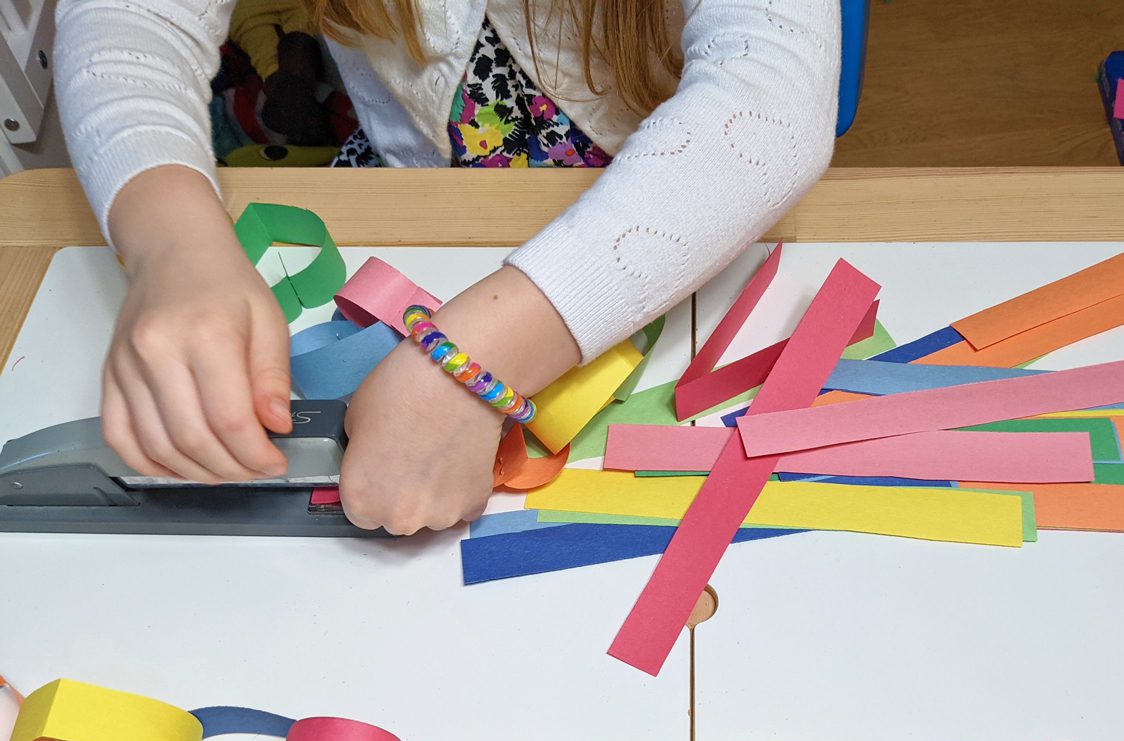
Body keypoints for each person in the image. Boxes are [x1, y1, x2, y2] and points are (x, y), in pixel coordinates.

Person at [54, 0, 841, 533]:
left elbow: (770, 98)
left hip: (682, 213)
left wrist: (468, 365)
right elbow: (128, 22)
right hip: (416, 197)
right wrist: (172, 244)